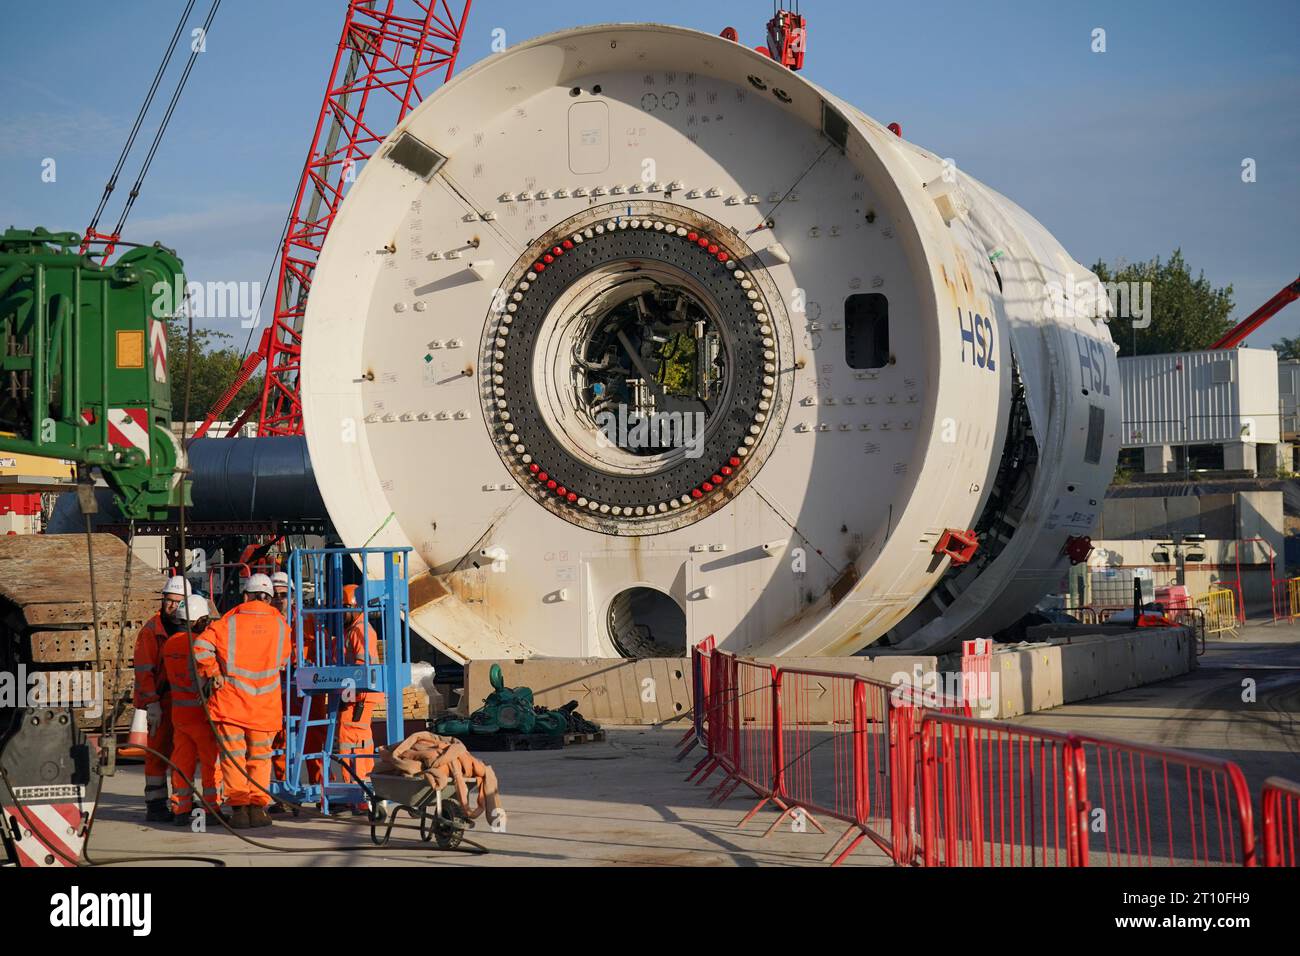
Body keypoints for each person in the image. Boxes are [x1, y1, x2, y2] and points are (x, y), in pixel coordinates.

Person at [205, 573, 290, 829]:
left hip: (231, 706)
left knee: (233, 759)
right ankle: (257, 808)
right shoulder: (281, 626)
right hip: (265, 709)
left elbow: (201, 647)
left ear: (246, 595)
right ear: (270, 598)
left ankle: (239, 810)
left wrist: (214, 672)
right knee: (261, 760)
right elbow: (283, 661)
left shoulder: (228, 622)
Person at [160, 595, 224, 826]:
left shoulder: (169, 644)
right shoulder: (200, 645)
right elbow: (207, 677)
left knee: (181, 762)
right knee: (210, 762)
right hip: (200, 713)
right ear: (198, 620)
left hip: (180, 714)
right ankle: (211, 807)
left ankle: (181, 808)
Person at [132, 576, 189, 821]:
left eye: (177, 602)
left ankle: (182, 804)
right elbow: (144, 672)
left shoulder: (189, 627)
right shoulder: (151, 631)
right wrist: (152, 703)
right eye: (169, 601)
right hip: (161, 701)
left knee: (182, 754)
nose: (172, 606)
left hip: (182, 702)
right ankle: (155, 805)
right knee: (157, 754)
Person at [338, 583, 380, 813]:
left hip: (358, 697)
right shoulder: (355, 628)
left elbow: (361, 668)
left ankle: (356, 795)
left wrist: (348, 695)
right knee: (360, 742)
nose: (339, 614)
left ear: (352, 607)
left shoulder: (359, 631)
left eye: (342, 608)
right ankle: (360, 793)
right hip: (359, 695)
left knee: (350, 742)